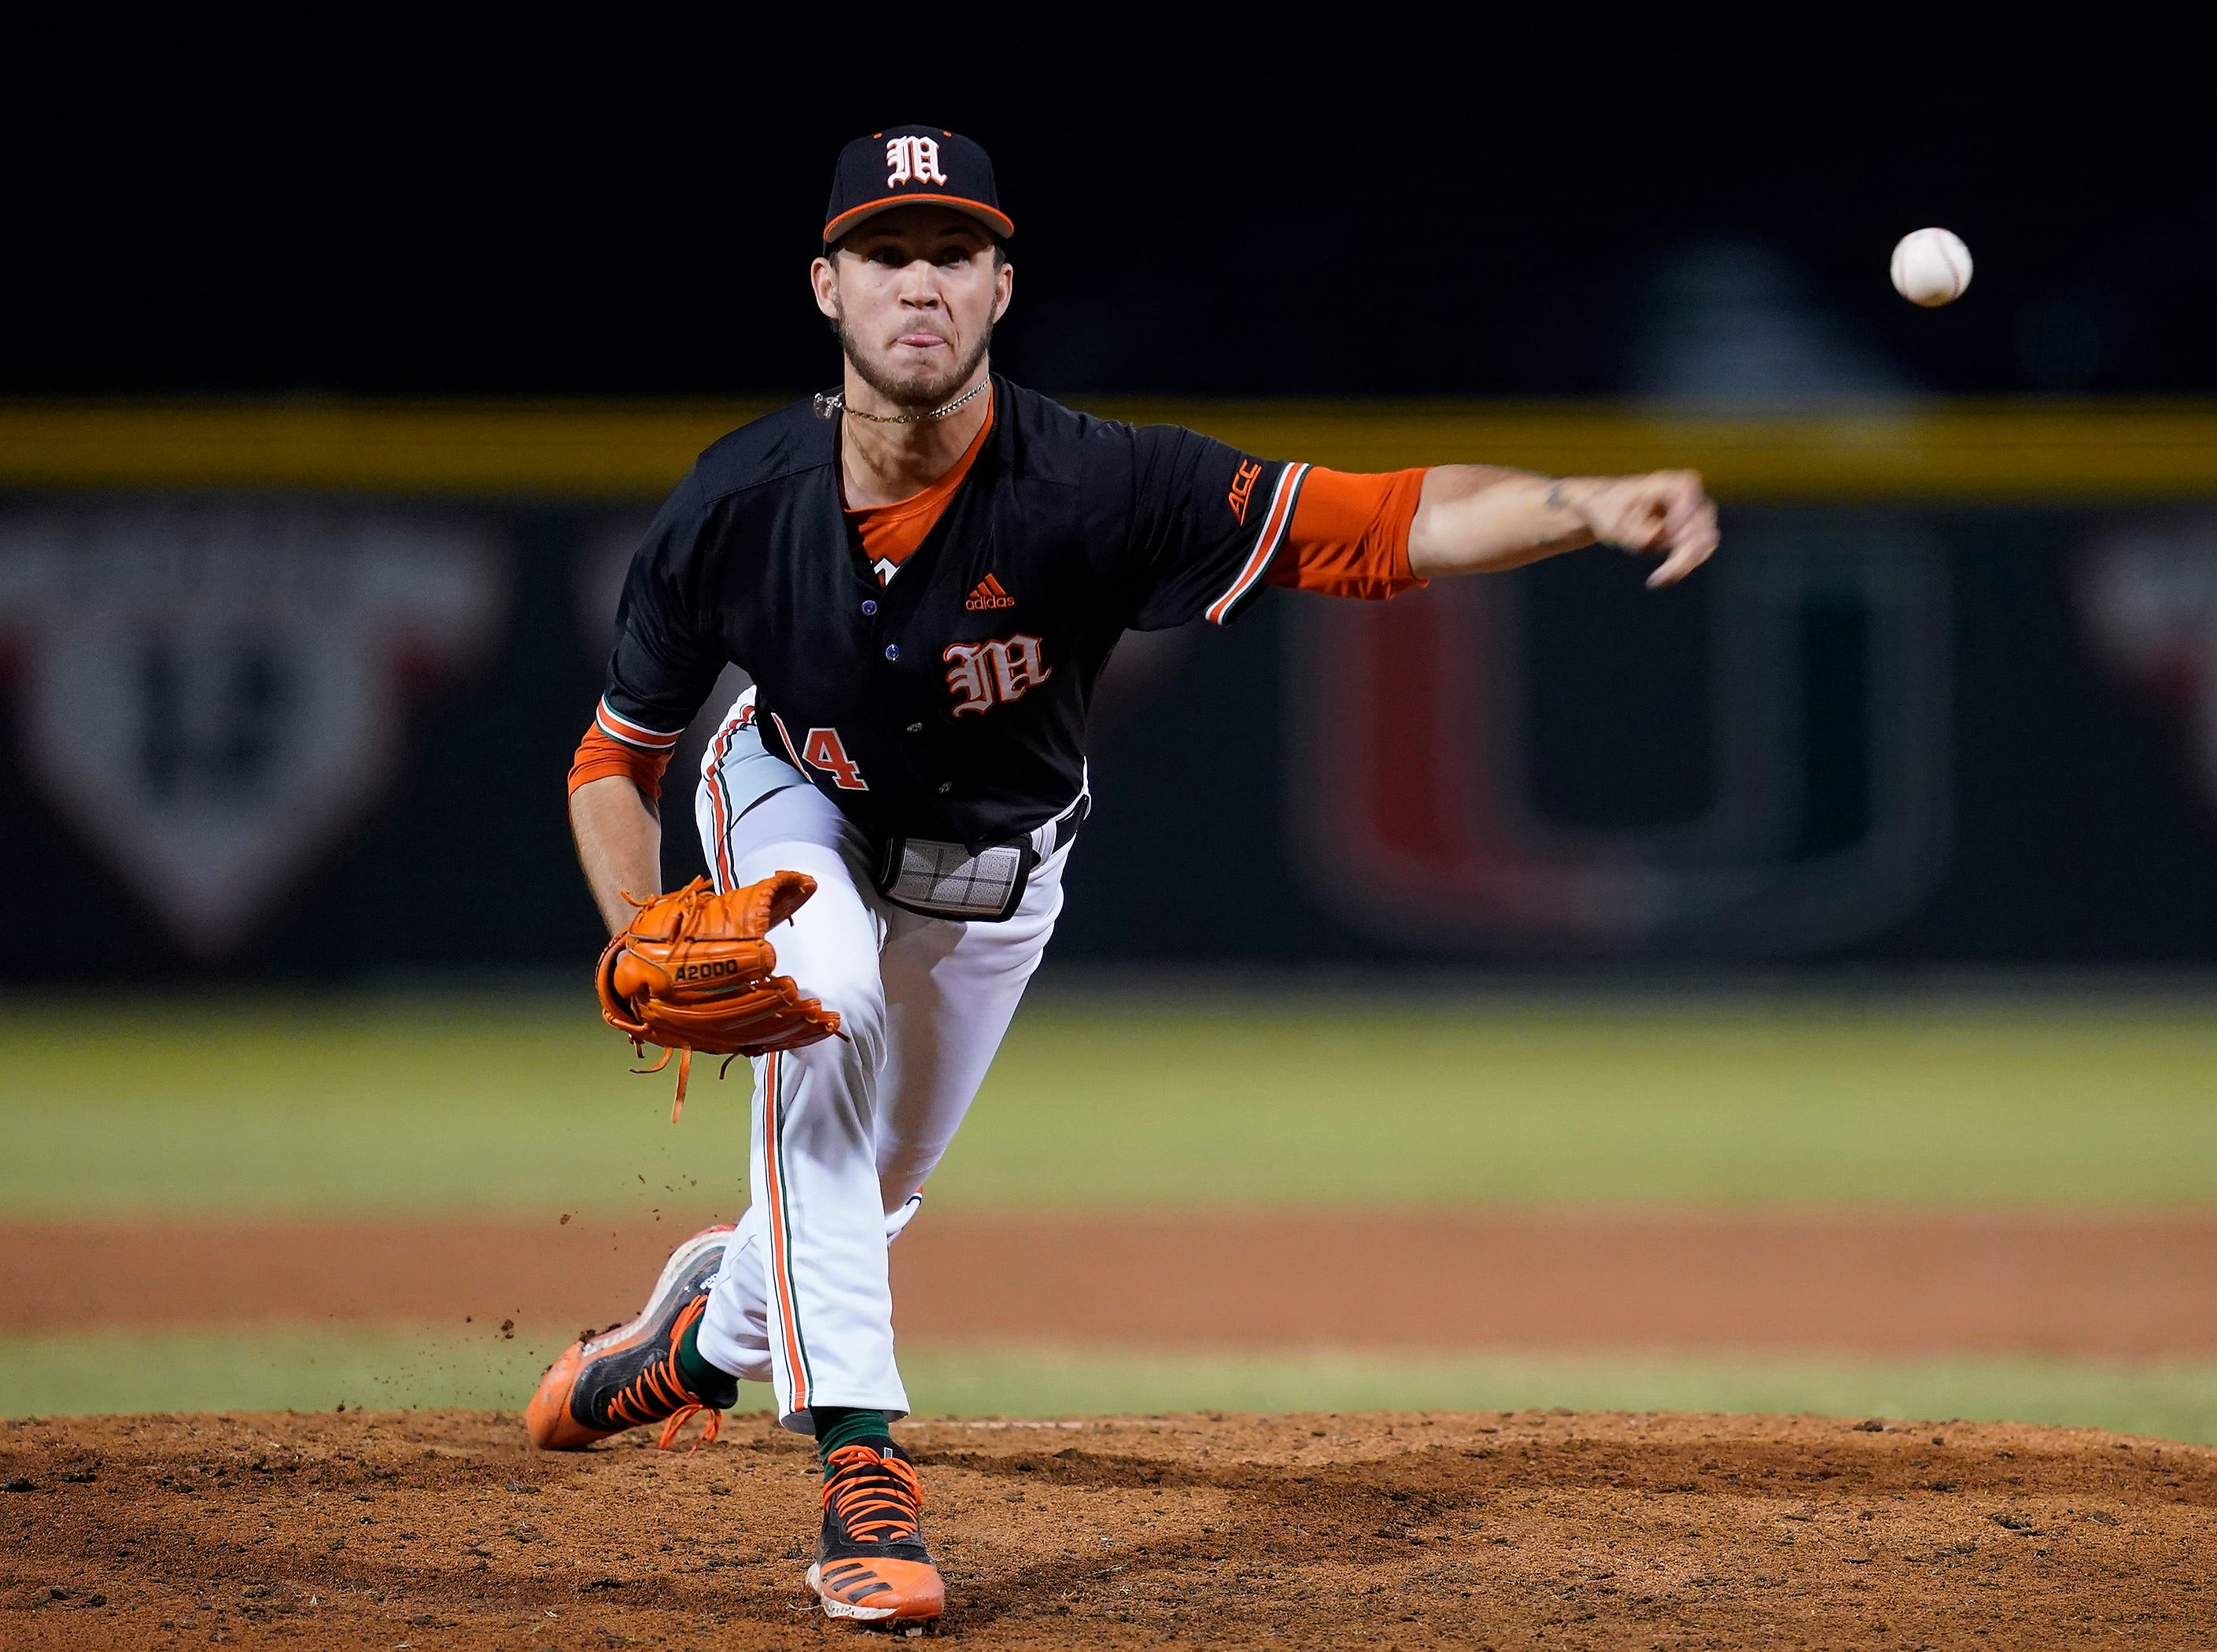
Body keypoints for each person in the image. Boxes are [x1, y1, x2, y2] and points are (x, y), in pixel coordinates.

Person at [531, 124, 1719, 1628]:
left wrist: (1584, 505)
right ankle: (858, 1475)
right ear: (826, 288)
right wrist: (640, 932)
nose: (920, 287)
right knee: (816, 994)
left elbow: (1383, 522)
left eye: (952, 255)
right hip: (792, 805)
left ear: (1001, 288)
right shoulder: (732, 505)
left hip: (997, 880)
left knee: (864, 1200)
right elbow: (612, 756)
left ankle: (701, 1342)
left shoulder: (1096, 482)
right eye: (886, 255)